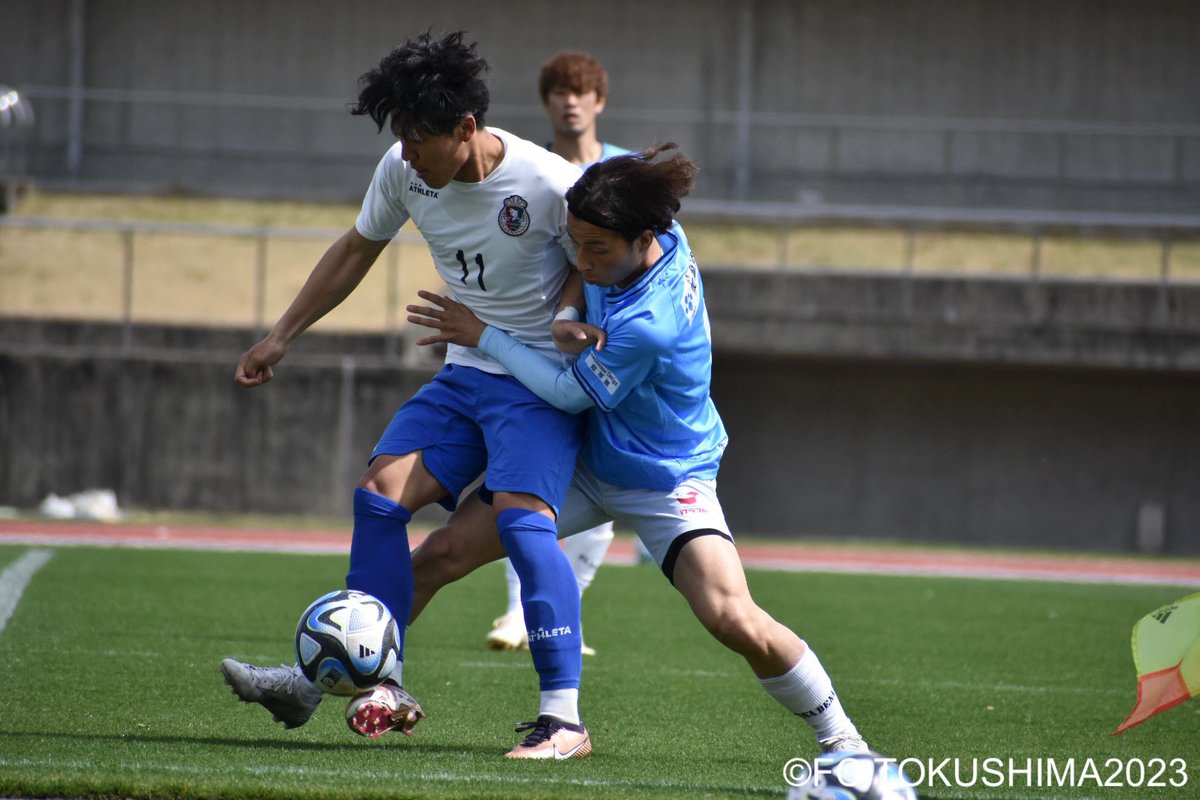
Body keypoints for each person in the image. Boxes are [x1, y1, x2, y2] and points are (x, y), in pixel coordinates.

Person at [403, 145, 870, 759]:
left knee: (733, 617)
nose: (585, 260)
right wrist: (568, 310)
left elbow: (568, 394)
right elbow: (582, 261)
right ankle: (318, 675)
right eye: (578, 245)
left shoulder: (648, 322)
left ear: (644, 237)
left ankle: (845, 741)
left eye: (599, 250)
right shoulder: (647, 224)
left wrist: (482, 334)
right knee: (437, 556)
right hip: (591, 458)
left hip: (664, 476)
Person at [219, 31, 593, 760]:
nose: (406, 153)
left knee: (522, 526)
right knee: (379, 494)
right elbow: (357, 247)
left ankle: (563, 720)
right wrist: (281, 335)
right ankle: (377, 684)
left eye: (419, 138)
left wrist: (569, 320)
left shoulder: (547, 184)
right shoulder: (403, 169)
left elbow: (596, 259)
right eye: (400, 137)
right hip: (464, 376)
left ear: (466, 129)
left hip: (538, 389)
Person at [487, 50, 632, 656]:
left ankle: (564, 607)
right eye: (559, 92)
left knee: (600, 484)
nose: (570, 101)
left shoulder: (627, 171)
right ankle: (518, 610)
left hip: (613, 349)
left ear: (599, 101)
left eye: (582, 92)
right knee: (527, 482)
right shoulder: (533, 171)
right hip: (542, 344)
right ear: (547, 102)